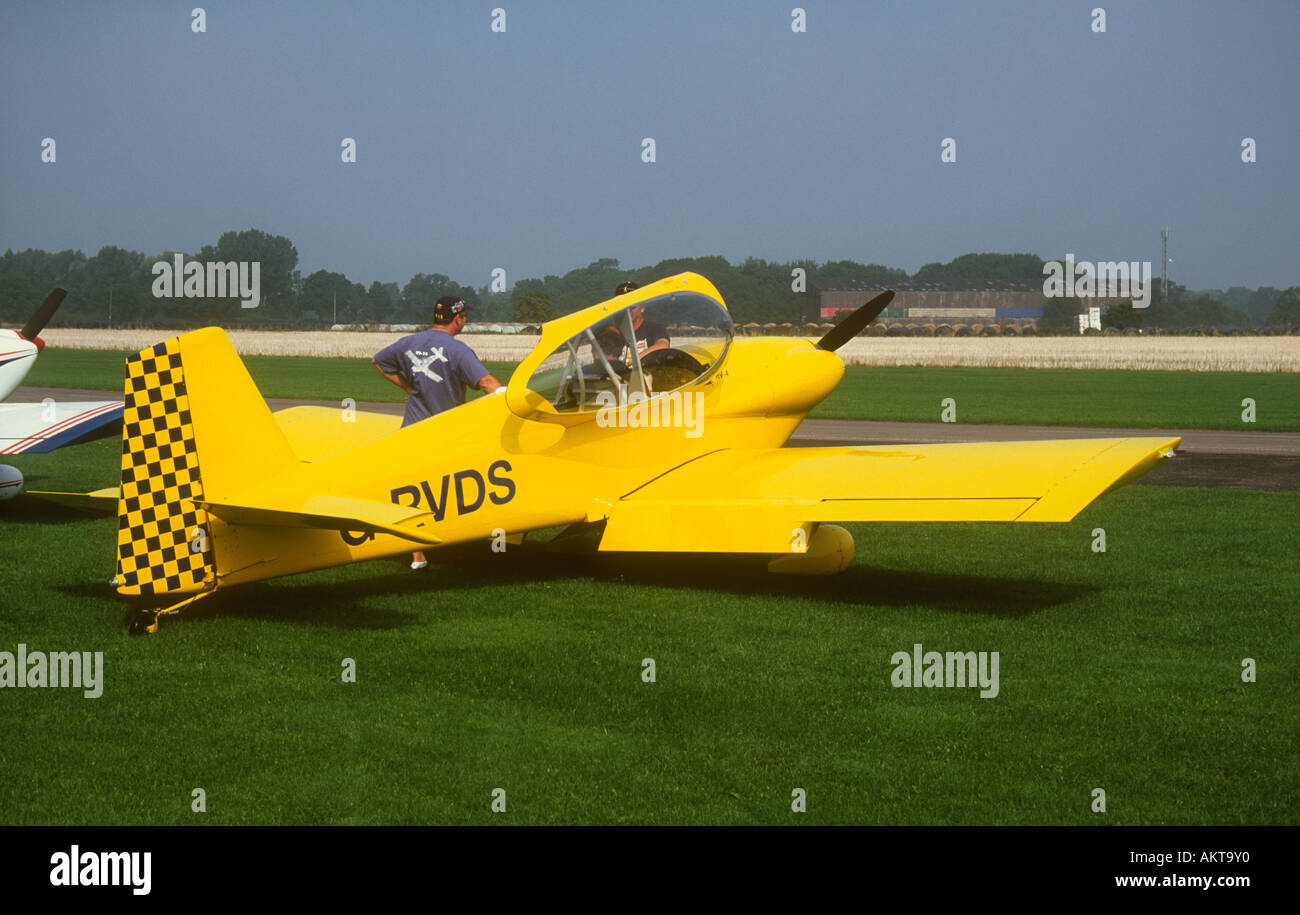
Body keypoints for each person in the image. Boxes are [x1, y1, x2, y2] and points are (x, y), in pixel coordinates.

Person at [372, 295, 502, 570]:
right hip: (446, 434)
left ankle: (417, 557)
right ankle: (467, 542)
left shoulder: (409, 342)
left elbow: (379, 362)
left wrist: (408, 388)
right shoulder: (458, 351)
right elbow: (487, 383)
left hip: (413, 431)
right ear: (459, 319)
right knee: (464, 489)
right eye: (465, 316)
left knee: (413, 494)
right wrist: (510, 399)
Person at [604, 281, 670, 363]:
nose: (627, 309)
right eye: (622, 305)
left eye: (632, 305)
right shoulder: (613, 334)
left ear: (642, 307)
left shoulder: (655, 328)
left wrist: (633, 360)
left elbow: (662, 345)